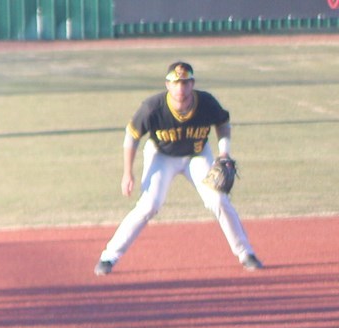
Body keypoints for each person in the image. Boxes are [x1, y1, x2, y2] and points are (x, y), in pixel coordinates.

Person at [95, 61, 261, 276]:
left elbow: (223, 123)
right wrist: (128, 172)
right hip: (161, 156)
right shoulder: (153, 107)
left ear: (192, 84)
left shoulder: (206, 102)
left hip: (197, 154)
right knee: (148, 205)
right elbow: (132, 137)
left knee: (219, 200)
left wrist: (224, 152)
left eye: (185, 83)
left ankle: (245, 253)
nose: (180, 88)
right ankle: (109, 256)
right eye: (176, 83)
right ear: (167, 85)